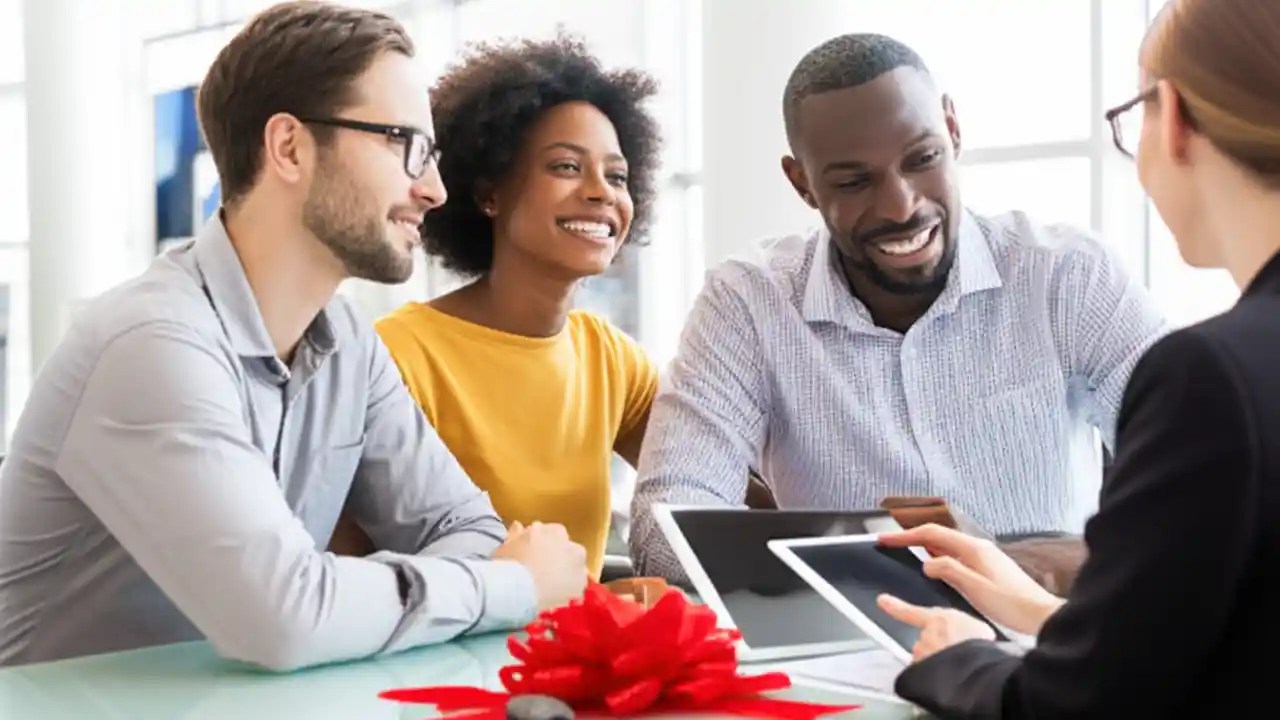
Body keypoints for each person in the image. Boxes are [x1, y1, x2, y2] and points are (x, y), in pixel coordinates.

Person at [0, 1, 586, 670]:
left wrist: (347, 599)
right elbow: (283, 621)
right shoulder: (151, 345)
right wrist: (512, 585)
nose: (434, 188)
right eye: (406, 146)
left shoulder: (349, 346)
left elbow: (467, 532)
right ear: (289, 148)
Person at [629, 33, 1169, 579]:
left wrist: (1007, 568)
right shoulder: (747, 303)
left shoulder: (1068, 275)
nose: (901, 205)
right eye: (854, 181)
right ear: (803, 183)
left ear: (953, 131)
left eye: (922, 158)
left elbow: (1207, 477)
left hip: (1047, 647)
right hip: (842, 657)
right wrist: (888, 577)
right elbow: (665, 533)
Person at [874, 0, 1280, 715]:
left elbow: (1071, 706)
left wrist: (958, 657)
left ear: (1175, 117)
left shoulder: (1211, 378)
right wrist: (1046, 612)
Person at [368, 35, 663, 580]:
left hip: (579, 658)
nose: (602, 193)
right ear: (489, 194)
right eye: (567, 167)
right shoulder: (397, 356)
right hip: (446, 659)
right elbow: (356, 566)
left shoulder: (614, 361)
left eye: (617, 176)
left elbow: (719, 493)